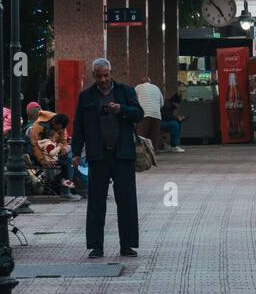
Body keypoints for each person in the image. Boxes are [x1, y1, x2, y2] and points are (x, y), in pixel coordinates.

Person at [71, 58, 144, 258]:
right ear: (93, 75)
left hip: (123, 154)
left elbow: (139, 114)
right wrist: (76, 152)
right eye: (99, 76)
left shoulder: (125, 92)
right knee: (96, 201)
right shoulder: (86, 96)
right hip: (98, 155)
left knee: (127, 201)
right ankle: (96, 246)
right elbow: (79, 127)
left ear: (111, 73)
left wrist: (121, 109)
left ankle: (127, 245)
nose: (103, 79)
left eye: (106, 75)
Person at [30, 111, 79, 199]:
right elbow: (35, 146)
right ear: (54, 123)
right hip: (40, 155)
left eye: (61, 129)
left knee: (70, 160)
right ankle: (62, 188)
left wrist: (63, 150)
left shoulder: (60, 124)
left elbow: (63, 140)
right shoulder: (38, 126)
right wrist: (43, 160)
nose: (59, 131)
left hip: (53, 152)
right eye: (57, 129)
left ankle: (66, 191)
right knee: (64, 163)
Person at [135, 75, 165, 148]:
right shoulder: (156, 88)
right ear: (150, 82)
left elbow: (133, 100)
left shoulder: (138, 87)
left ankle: (142, 154)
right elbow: (162, 103)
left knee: (142, 137)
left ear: (141, 82)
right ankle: (153, 155)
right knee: (153, 137)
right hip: (157, 115)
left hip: (144, 115)